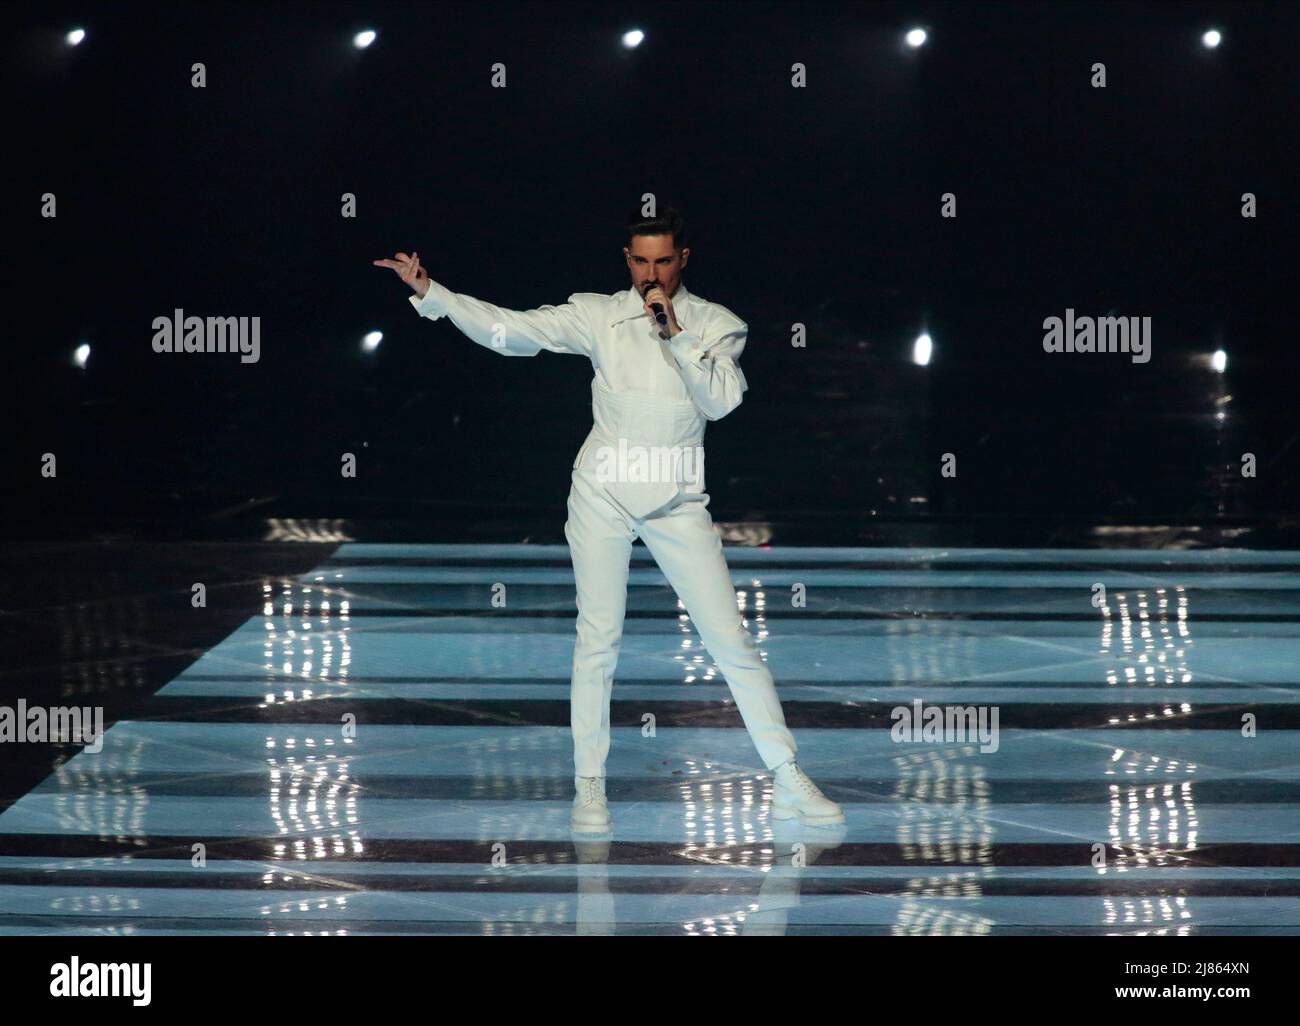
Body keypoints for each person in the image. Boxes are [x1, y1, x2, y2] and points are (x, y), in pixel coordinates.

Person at [374, 207, 844, 832]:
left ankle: (786, 775)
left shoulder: (718, 325)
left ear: (684, 260)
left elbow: (722, 402)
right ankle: (589, 786)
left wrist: (675, 334)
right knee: (597, 640)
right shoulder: (598, 313)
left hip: (678, 498)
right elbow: (513, 331)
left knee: (730, 641)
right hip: (602, 491)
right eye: (641, 261)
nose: (653, 274)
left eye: (664, 261)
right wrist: (435, 295)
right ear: (627, 260)